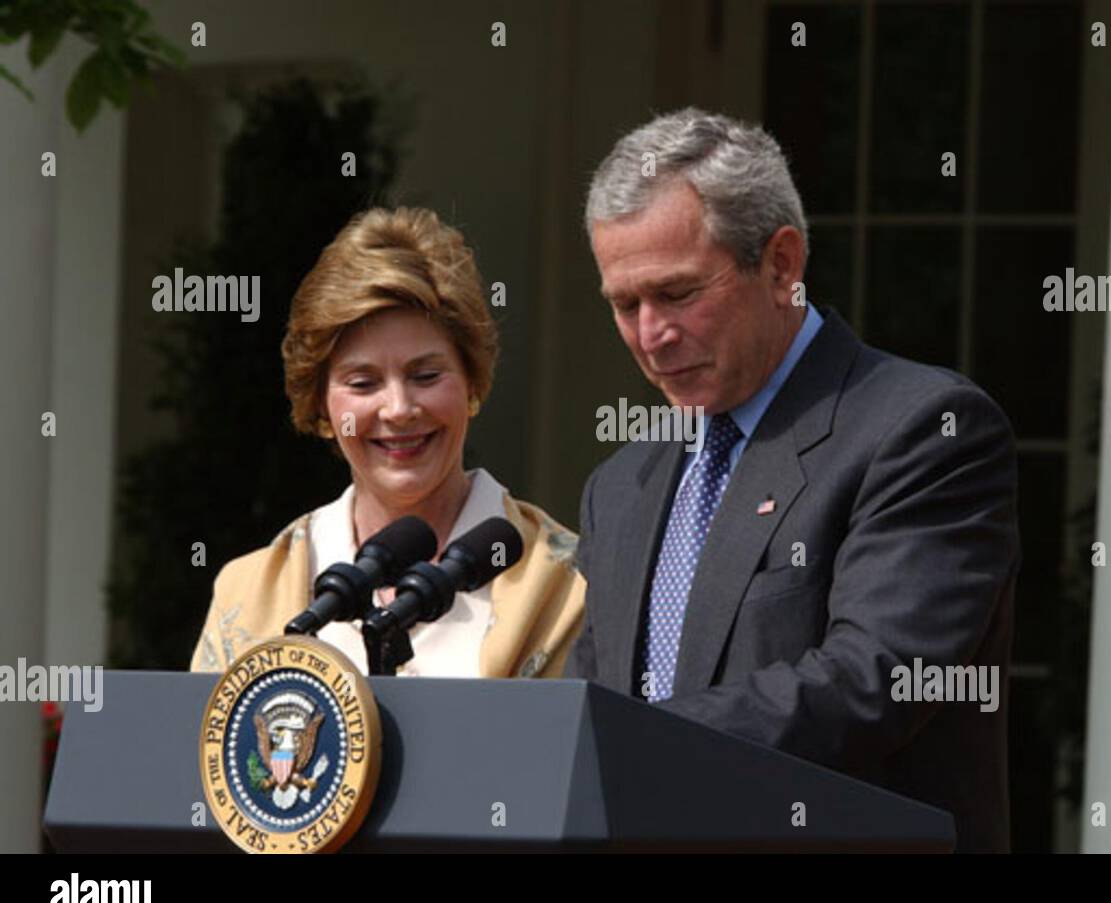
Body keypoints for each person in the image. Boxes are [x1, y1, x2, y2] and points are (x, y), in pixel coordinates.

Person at [564, 109, 1021, 852]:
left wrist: (634, 739)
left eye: (677, 294)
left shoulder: (924, 430)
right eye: (625, 304)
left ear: (781, 264)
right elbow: (591, 705)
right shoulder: (622, 482)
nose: (650, 335)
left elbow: (876, 677)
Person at [191, 207, 584, 679]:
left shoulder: (571, 585)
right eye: (362, 383)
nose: (398, 408)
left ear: (472, 385)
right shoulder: (247, 592)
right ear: (321, 409)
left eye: (426, 375)